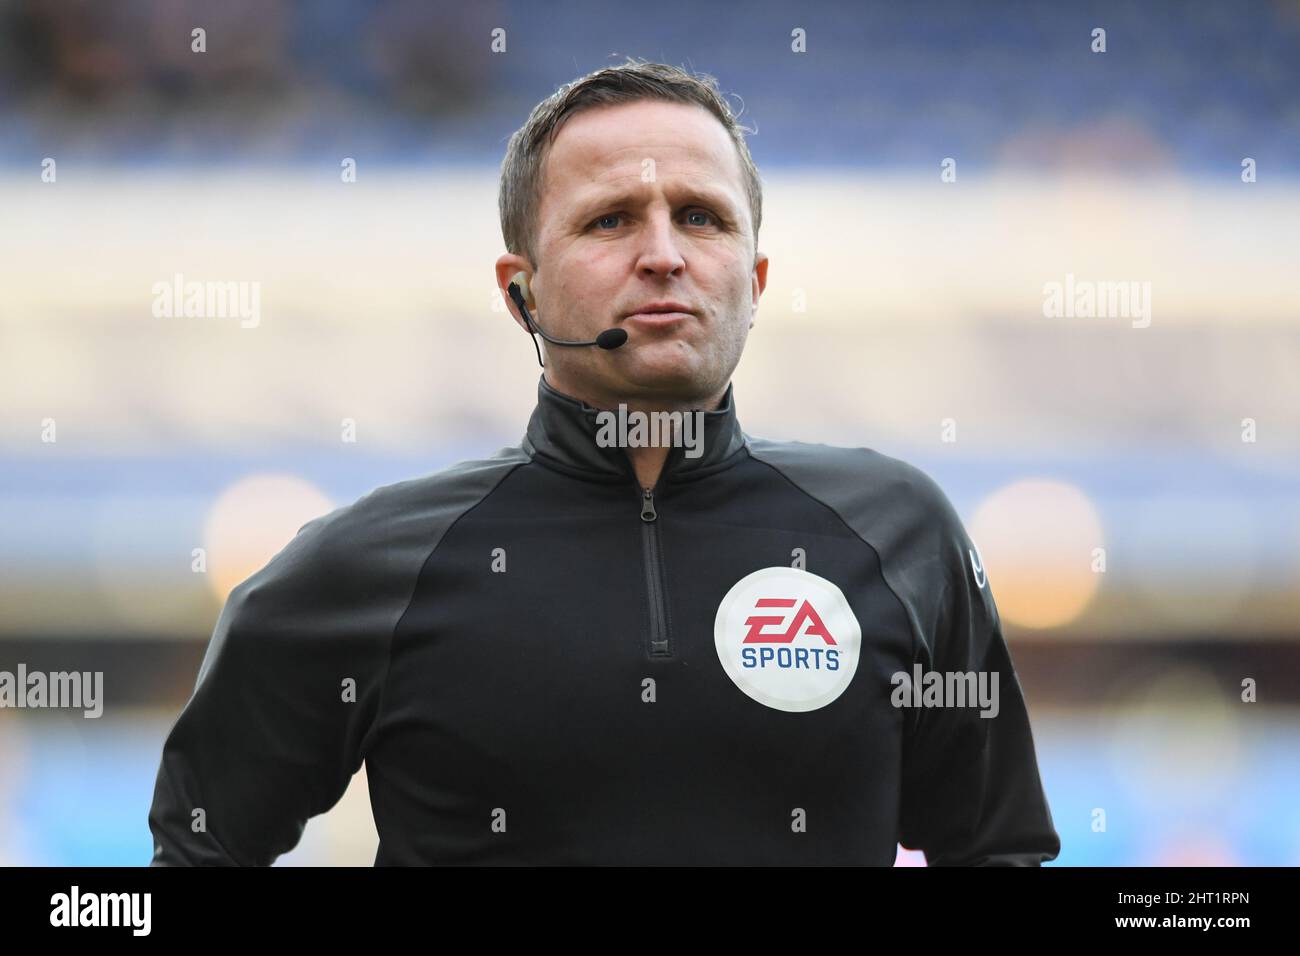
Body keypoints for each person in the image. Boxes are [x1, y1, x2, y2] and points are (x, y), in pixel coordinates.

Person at [148, 59, 1060, 866]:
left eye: (701, 219)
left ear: (756, 280)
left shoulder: (900, 532)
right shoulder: (366, 567)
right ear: (522, 293)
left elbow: (997, 849)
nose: (663, 256)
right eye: (611, 220)